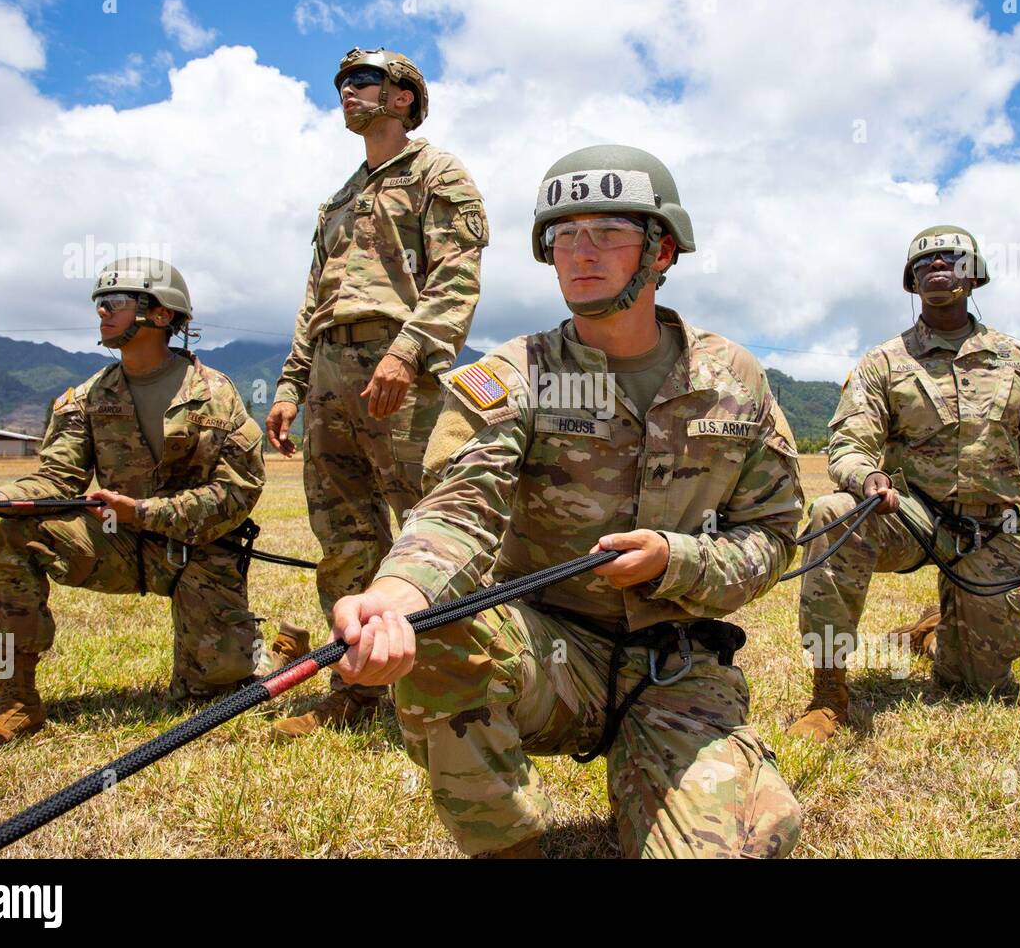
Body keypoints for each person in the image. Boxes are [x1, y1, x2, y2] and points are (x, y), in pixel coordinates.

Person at [317, 145, 805, 858]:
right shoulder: (515, 372)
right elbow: (461, 501)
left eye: (607, 231)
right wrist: (396, 593)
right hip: (549, 653)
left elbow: (773, 534)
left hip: (678, 666)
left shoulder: (733, 376)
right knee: (446, 630)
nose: (581, 252)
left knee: (740, 846)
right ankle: (511, 849)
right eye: (563, 235)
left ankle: (691, 776)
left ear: (661, 248)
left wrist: (678, 560)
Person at [0, 259, 265, 756]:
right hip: (121, 545)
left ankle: (273, 650)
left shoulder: (216, 395)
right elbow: (54, 479)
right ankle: (15, 699)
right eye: (99, 303)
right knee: (17, 536)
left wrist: (143, 511)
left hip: (200, 553)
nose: (102, 311)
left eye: (117, 302)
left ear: (162, 315)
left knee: (209, 697)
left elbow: (238, 493)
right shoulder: (85, 398)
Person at [262, 47, 488, 739]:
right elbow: (312, 301)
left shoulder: (437, 174)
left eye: (362, 81)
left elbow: (456, 274)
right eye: (341, 84)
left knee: (429, 529)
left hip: (399, 368)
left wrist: (408, 351)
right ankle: (355, 689)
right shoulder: (337, 200)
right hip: (330, 369)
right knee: (345, 538)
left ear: (403, 98)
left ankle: (457, 686)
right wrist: (290, 385)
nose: (347, 92)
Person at [789, 225, 1020, 742]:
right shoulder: (884, 362)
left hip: (995, 528)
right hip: (913, 516)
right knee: (833, 513)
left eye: (951, 259)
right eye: (924, 263)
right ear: (911, 282)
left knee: (978, 687)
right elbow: (848, 444)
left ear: (974, 275)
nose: (937, 267)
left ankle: (932, 632)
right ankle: (829, 693)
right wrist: (867, 477)